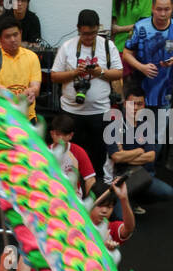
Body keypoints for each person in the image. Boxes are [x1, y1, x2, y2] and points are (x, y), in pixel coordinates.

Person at [51, 10, 123, 177]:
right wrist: (75, 73)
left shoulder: (107, 46)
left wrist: (100, 72)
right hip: (71, 112)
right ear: (78, 29)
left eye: (93, 33)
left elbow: (118, 73)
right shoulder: (67, 46)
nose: (89, 37)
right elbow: (54, 76)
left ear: (98, 29)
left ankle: (94, 189)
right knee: (70, 156)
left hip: (99, 112)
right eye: (85, 34)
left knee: (98, 156)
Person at [123, 0, 173, 166]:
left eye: (166, 9)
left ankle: (148, 171)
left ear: (172, 9)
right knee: (135, 135)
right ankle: (133, 171)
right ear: (152, 8)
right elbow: (126, 53)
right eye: (159, 9)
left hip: (164, 94)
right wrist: (142, 67)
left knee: (157, 138)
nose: (162, 14)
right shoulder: (140, 27)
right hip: (140, 93)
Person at [103, 81, 173, 206]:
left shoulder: (146, 126)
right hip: (118, 178)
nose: (135, 108)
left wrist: (125, 155)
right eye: (132, 104)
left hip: (139, 174)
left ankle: (134, 201)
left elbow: (151, 156)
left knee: (167, 192)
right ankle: (124, 200)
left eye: (139, 104)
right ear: (125, 104)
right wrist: (140, 151)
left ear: (144, 106)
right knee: (120, 219)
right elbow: (116, 157)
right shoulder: (114, 126)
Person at [0, 12, 42, 121]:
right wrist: (19, 98)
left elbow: (36, 87)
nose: (13, 39)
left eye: (16, 34)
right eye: (8, 36)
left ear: (21, 33)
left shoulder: (32, 57)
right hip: (3, 119)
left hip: (28, 118)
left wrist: (32, 92)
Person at [47, 109, 96, 195]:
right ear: (52, 134)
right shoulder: (45, 152)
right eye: (58, 134)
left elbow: (90, 179)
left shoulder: (78, 152)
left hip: (73, 198)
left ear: (71, 135)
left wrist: (89, 203)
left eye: (65, 135)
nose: (61, 138)